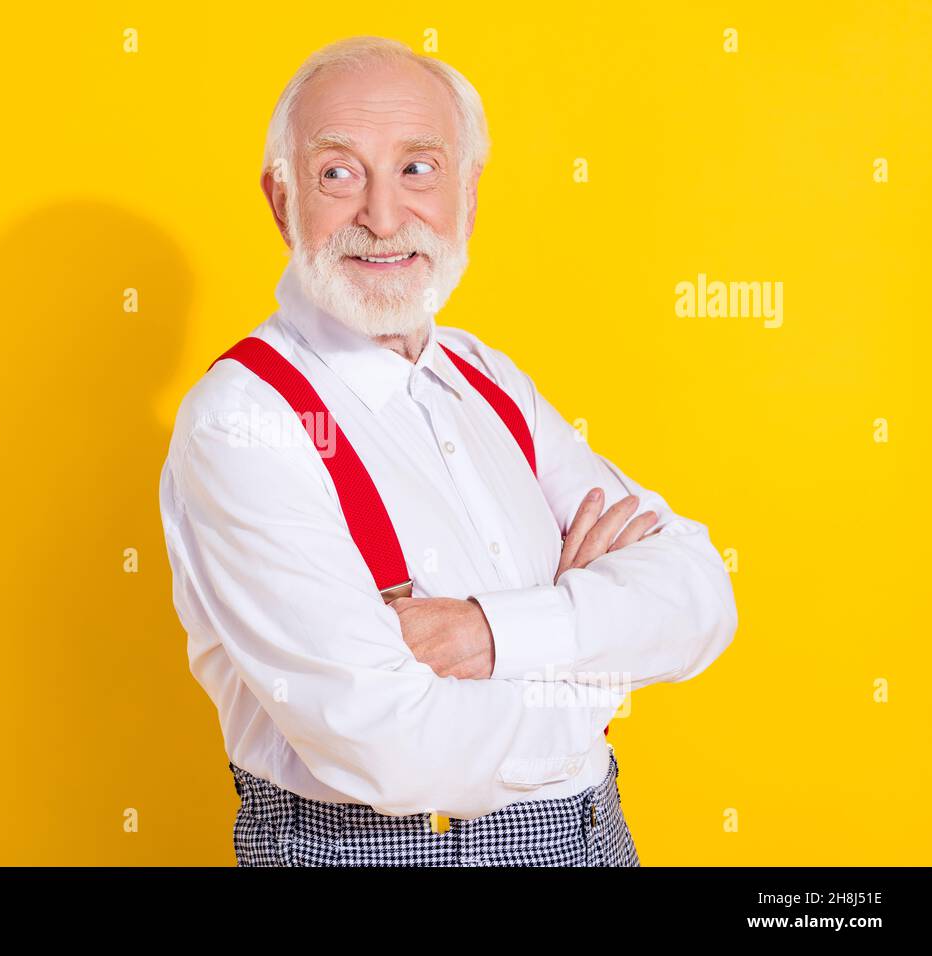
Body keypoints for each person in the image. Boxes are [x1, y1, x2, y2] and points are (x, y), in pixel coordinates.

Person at [158, 36, 737, 866]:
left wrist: (486, 633)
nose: (383, 218)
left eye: (418, 169)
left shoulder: (485, 374)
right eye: (338, 173)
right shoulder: (242, 420)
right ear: (282, 200)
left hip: (598, 838)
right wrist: (601, 665)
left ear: (467, 196)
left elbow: (701, 595)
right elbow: (390, 747)